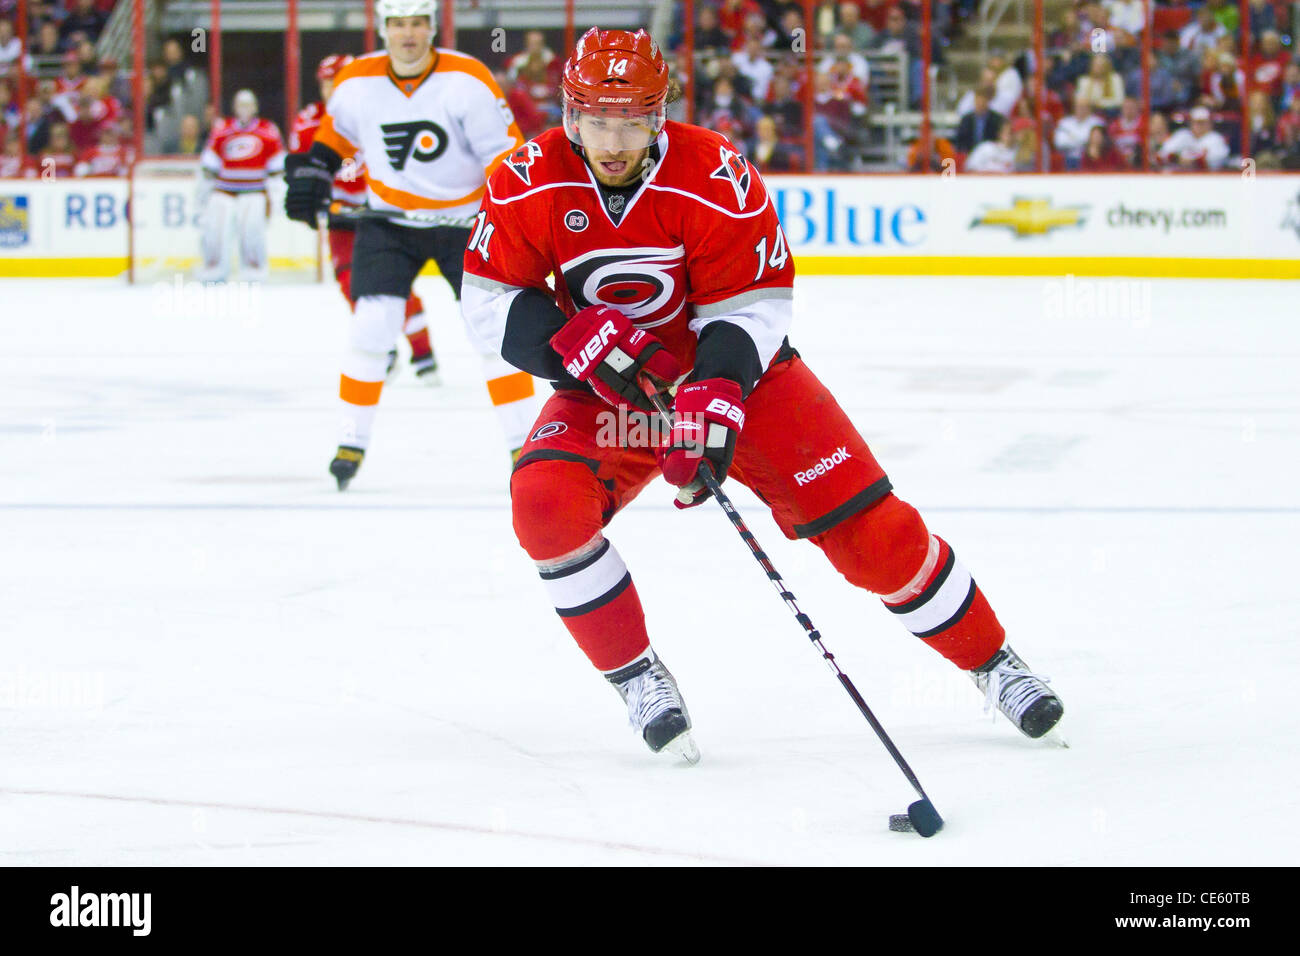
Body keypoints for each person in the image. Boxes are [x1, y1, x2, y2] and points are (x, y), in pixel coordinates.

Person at [460, 27, 1065, 762]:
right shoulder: (526, 176)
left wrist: (714, 394)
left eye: (629, 121)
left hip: (739, 381)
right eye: (595, 120)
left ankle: (993, 662)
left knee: (876, 540)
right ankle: (636, 675)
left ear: (658, 116)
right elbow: (490, 297)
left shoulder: (715, 171)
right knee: (544, 506)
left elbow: (751, 306)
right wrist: (570, 341)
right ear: (568, 114)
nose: (611, 139)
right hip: (606, 389)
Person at [283, 0, 537, 489]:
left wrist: (507, 222)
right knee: (370, 326)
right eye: (398, 24)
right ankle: (349, 442)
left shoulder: (468, 79)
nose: (408, 34)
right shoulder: (357, 80)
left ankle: (522, 443)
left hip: (465, 222)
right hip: (389, 222)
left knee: (489, 333)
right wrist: (316, 168)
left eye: (417, 23)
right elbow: (335, 135)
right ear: (383, 29)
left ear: (431, 28)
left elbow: (505, 158)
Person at [291, 53, 440, 385]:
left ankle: (422, 351)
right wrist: (310, 195)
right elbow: (304, 166)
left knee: (393, 284)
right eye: (328, 83)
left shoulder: (384, 110)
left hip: (380, 213)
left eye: (339, 81)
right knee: (350, 281)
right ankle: (381, 347)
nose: (333, 89)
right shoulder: (309, 119)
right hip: (342, 215)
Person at [197, 89, 284, 282]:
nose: (244, 109)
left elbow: (276, 168)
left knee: (252, 232)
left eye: (248, 105)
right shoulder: (222, 128)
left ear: (255, 107)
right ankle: (214, 268)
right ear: (235, 107)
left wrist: (274, 195)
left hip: (254, 190)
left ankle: (254, 270)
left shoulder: (268, 130)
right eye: (241, 105)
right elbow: (209, 165)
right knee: (215, 231)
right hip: (224, 190)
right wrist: (204, 193)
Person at [1157, 105, 1230, 169]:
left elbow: (1218, 160)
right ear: (1190, 123)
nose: (1198, 126)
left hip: (1206, 178)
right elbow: (1163, 154)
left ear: (1210, 123)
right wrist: (1177, 158)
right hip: (1180, 177)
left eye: (1202, 122)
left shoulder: (1216, 138)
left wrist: (1194, 161)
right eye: (1195, 122)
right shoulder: (1182, 135)